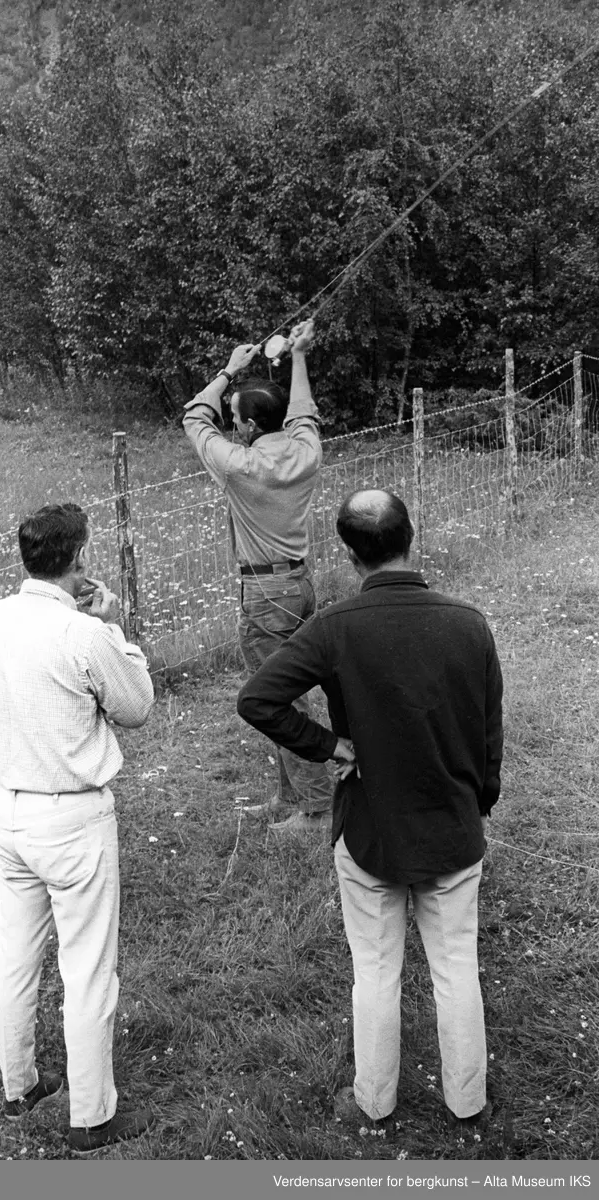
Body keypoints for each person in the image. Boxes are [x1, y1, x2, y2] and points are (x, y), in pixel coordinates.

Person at [236, 489, 503, 1133]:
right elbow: (489, 732)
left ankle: (375, 1103)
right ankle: (467, 1104)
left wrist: (329, 747)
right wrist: (479, 802)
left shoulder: (335, 627)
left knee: (376, 972)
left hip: (368, 830)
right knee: (456, 968)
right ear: (412, 536)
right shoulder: (468, 623)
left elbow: (259, 698)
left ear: (349, 552)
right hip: (452, 824)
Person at [0, 502, 156, 1155]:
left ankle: (19, 1087)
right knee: (87, 966)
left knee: (16, 950)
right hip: (74, 813)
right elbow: (136, 706)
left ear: (24, 556)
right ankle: (89, 1116)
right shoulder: (83, 633)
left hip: (8, 810)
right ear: (79, 557)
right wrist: (111, 624)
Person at [182, 318, 333, 835]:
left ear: (248, 427)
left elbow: (194, 418)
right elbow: (304, 410)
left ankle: (316, 809)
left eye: (236, 419)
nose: (231, 423)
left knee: (280, 700)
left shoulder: (241, 466)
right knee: (280, 695)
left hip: (267, 596)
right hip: (300, 585)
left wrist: (228, 371)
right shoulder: (306, 451)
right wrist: (299, 355)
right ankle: (289, 797)